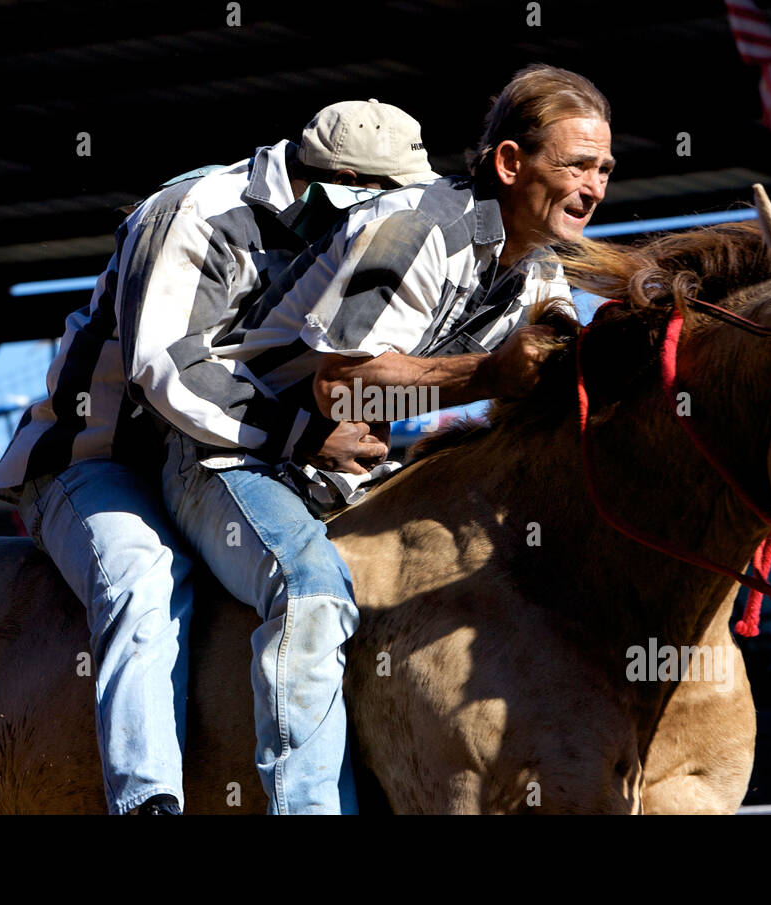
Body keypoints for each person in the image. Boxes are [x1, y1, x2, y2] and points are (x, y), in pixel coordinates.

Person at [151, 64, 614, 814]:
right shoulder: (418, 225)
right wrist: (492, 372)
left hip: (337, 476)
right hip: (237, 453)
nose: (593, 187)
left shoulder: (539, 265)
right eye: (576, 165)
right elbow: (346, 388)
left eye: (603, 169)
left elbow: (555, 359)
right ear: (509, 163)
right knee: (310, 590)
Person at [0, 98, 437, 815]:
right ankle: (147, 802)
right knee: (144, 573)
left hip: (235, 465)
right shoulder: (193, 211)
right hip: (99, 457)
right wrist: (311, 435)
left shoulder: (335, 239)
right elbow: (168, 374)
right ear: (346, 180)